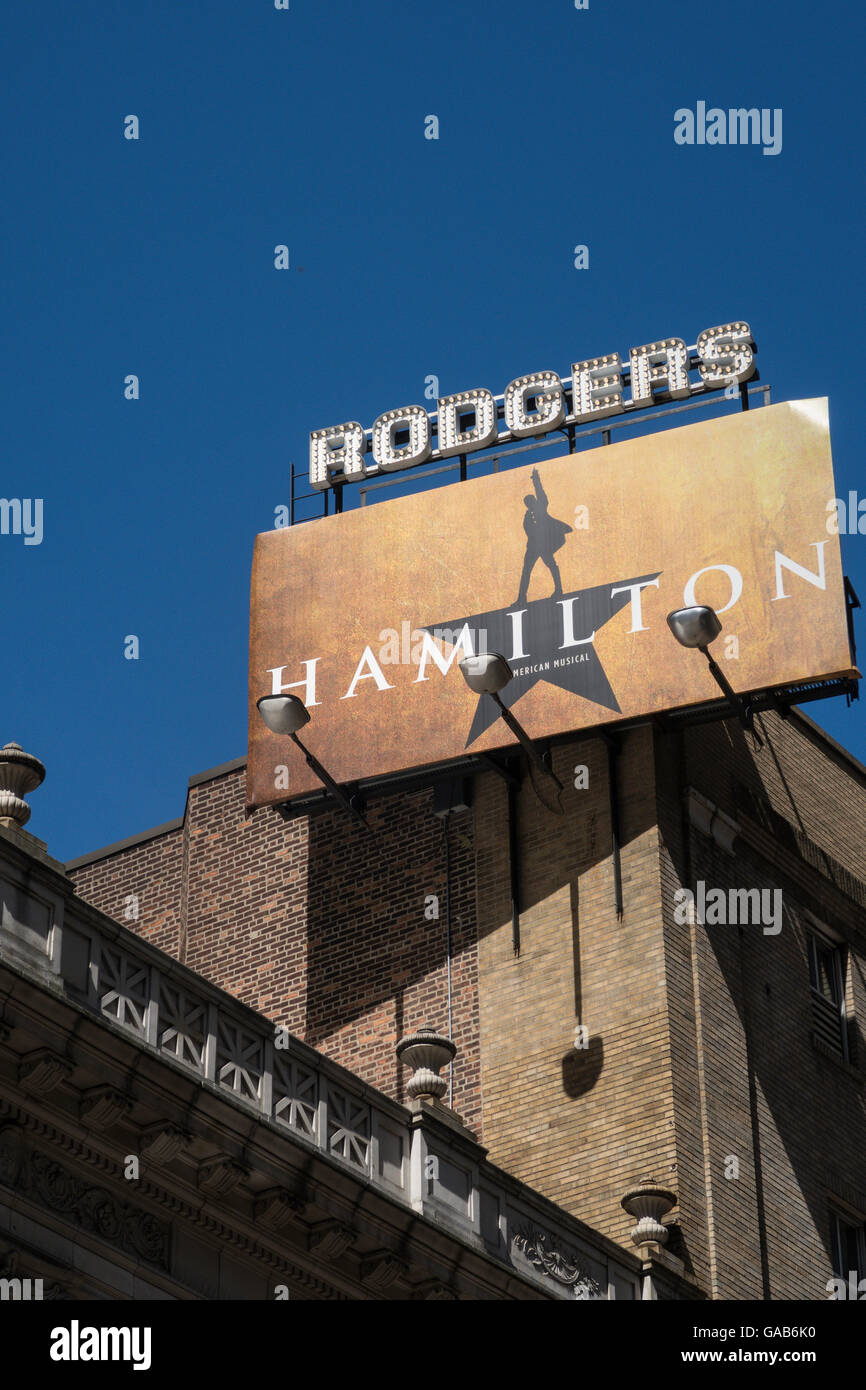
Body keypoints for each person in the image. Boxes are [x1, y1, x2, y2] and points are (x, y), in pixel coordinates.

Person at [515, 468, 572, 605]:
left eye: (531, 501)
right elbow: (528, 531)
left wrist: (536, 479)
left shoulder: (541, 506)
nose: (530, 503)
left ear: (534, 501)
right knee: (526, 571)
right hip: (533, 547)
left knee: (552, 565)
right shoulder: (527, 516)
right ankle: (521, 598)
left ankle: (559, 590)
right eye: (528, 502)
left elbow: (540, 491)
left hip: (544, 544)